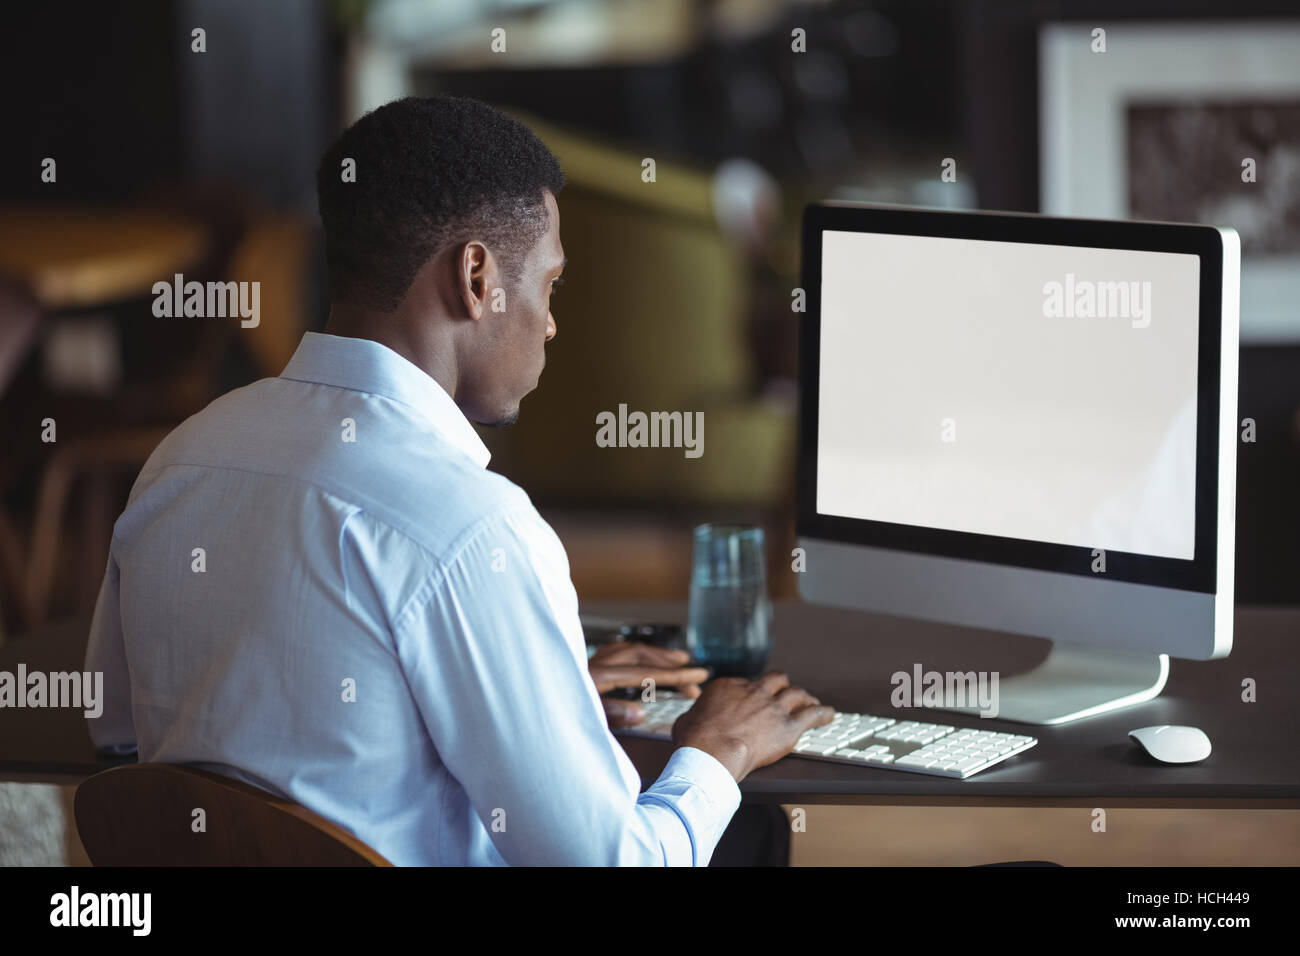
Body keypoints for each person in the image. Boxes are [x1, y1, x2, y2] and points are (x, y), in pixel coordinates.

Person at [85, 95, 833, 866]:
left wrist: (540, 691)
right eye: (550, 284)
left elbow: (114, 729)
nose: (549, 323)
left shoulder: (182, 459)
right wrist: (721, 751)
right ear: (476, 277)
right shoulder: (473, 528)